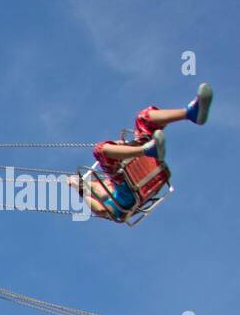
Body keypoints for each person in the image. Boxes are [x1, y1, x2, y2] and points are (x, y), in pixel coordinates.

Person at [68, 84, 212, 221]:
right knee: (100, 151)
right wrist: (80, 190)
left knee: (144, 118)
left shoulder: (112, 181)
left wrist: (122, 148)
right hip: (134, 185)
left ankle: (191, 113)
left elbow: (103, 180)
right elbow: (101, 210)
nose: (93, 183)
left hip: (140, 168)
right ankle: (146, 150)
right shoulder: (114, 205)